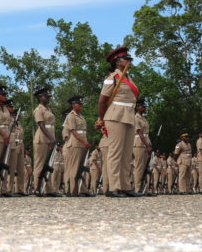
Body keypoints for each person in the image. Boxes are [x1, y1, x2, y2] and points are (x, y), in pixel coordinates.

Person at [96, 46, 139, 198]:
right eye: (125, 58)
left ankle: (126, 186)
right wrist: (101, 119)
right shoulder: (112, 78)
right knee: (115, 153)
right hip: (115, 116)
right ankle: (113, 187)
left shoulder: (128, 78)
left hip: (129, 116)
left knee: (127, 154)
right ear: (117, 62)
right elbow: (102, 101)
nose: (128, 60)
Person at [64, 96, 92, 197]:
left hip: (82, 143)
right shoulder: (71, 116)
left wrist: (85, 142)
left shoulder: (81, 116)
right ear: (73, 105)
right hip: (76, 144)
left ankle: (82, 190)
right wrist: (84, 142)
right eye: (79, 104)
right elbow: (73, 131)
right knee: (74, 168)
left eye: (81, 104)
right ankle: (72, 190)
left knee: (81, 168)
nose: (81, 106)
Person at [33, 86, 57, 196]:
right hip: (42, 138)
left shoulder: (48, 109)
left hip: (50, 137)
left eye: (48, 96)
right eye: (46, 97)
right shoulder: (38, 110)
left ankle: (48, 189)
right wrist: (51, 138)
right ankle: (37, 187)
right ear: (40, 97)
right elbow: (41, 125)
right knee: (40, 164)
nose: (48, 98)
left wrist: (52, 138)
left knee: (48, 164)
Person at [132, 98, 153, 195]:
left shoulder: (143, 118)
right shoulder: (136, 118)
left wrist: (149, 145)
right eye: (143, 106)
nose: (145, 108)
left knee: (145, 167)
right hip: (139, 144)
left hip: (145, 143)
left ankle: (144, 188)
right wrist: (147, 145)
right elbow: (140, 133)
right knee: (139, 167)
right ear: (137, 107)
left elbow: (146, 134)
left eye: (145, 106)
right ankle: (137, 189)